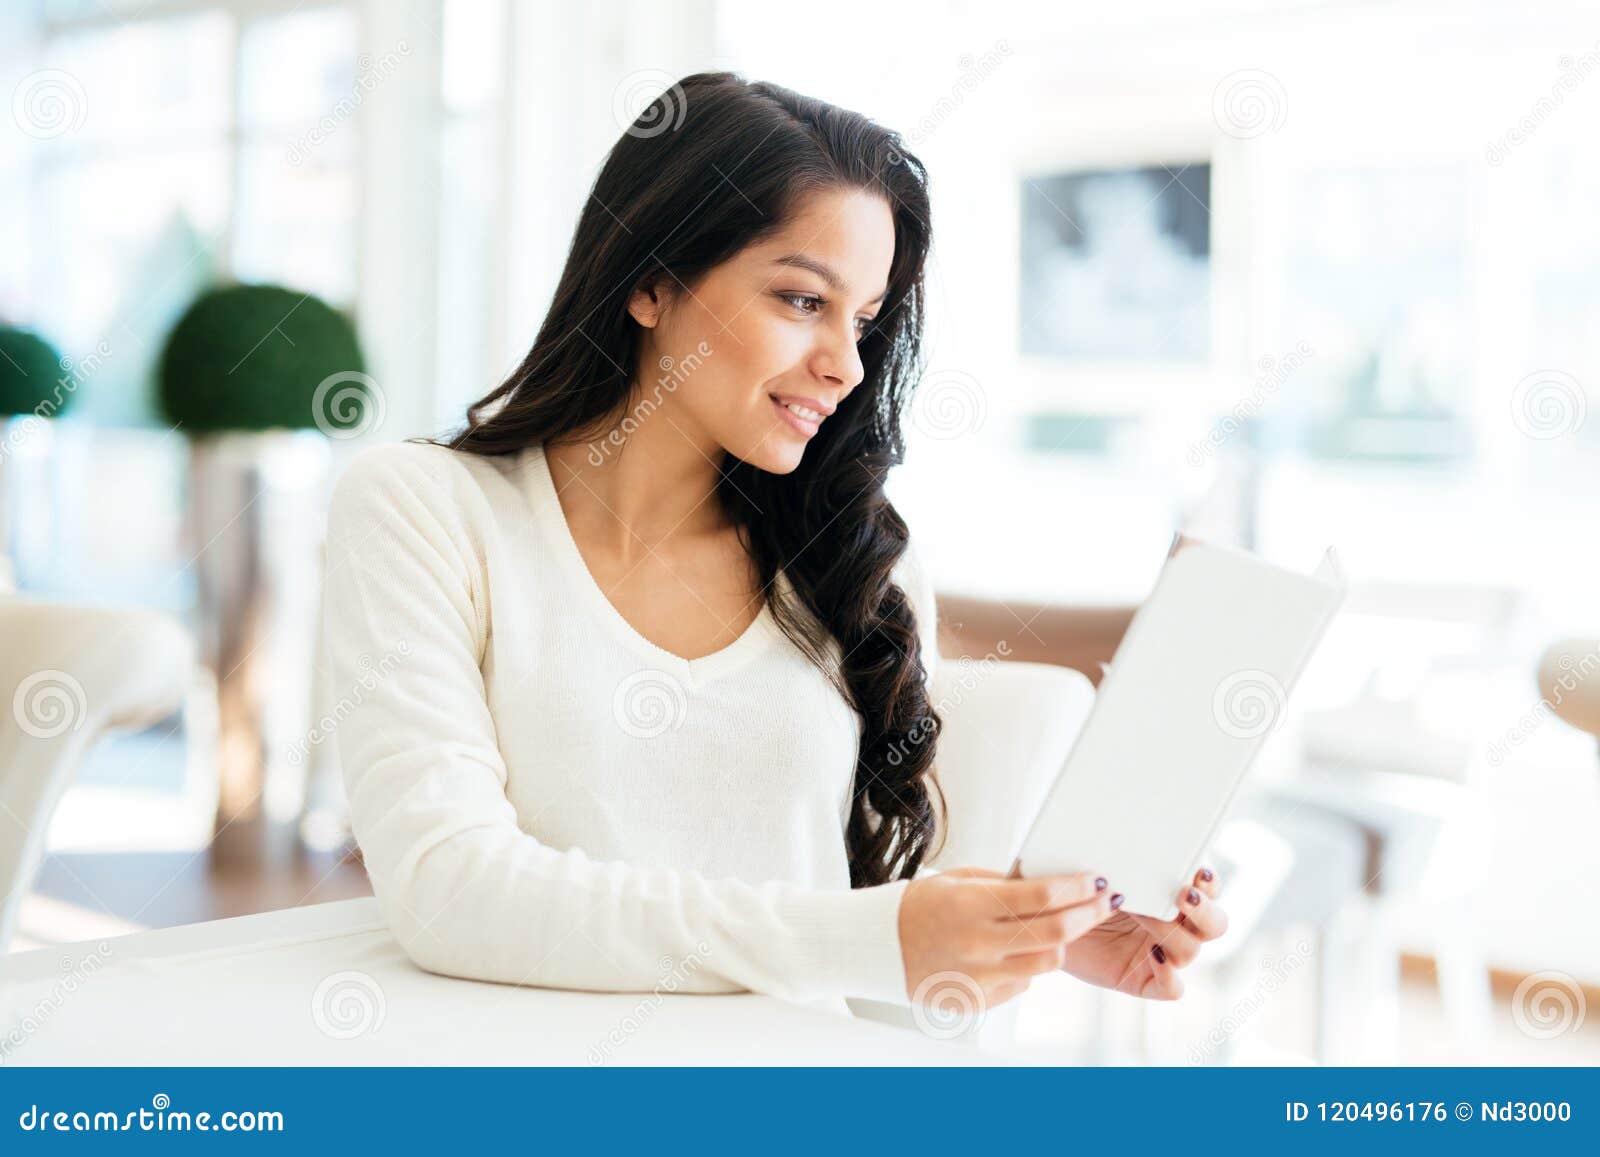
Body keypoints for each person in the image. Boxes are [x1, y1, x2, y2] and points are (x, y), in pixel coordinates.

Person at [320, 71, 1227, 1022]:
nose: (846, 363)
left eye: (867, 320)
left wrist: (1044, 931)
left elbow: (876, 929)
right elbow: (450, 886)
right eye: (802, 300)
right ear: (651, 281)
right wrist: (873, 938)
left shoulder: (857, 560)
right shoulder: (425, 512)